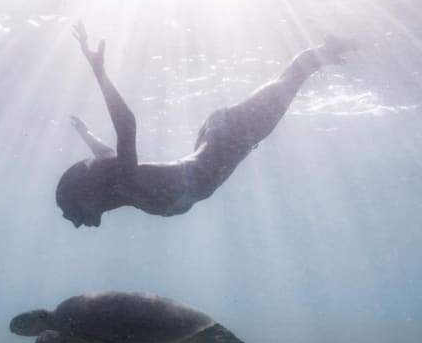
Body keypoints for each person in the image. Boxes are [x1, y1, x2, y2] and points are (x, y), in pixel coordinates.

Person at [57, 21, 356, 228]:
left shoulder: (126, 181)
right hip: (218, 136)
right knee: (295, 76)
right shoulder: (123, 183)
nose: (75, 221)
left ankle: (344, 43)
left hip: (230, 136)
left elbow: (126, 127)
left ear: (88, 192)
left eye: (72, 212)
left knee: (298, 73)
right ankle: (329, 51)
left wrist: (99, 72)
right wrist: (86, 134)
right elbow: (108, 153)